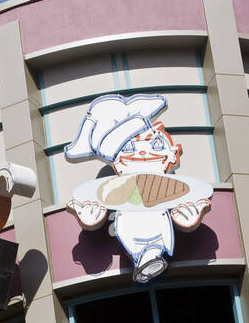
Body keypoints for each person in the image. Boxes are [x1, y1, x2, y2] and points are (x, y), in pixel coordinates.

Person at [64, 94, 212, 282]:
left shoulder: (171, 188)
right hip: (129, 222)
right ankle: (146, 256)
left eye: (156, 144)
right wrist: (91, 216)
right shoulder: (117, 191)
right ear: (115, 162)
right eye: (128, 148)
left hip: (159, 220)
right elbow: (103, 202)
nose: (142, 151)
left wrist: (188, 215)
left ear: (173, 155)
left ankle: (151, 255)